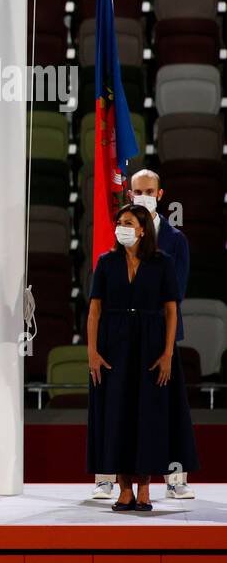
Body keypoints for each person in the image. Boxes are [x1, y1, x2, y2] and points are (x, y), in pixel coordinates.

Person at [86, 204, 198, 513]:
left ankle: (145, 487)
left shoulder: (163, 262)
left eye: (127, 222)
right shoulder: (106, 262)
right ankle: (123, 489)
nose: (121, 226)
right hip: (114, 345)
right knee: (117, 414)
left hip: (151, 344)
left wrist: (167, 353)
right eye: (119, 222)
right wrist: (92, 352)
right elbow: (95, 309)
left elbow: (172, 310)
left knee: (150, 415)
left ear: (142, 229)